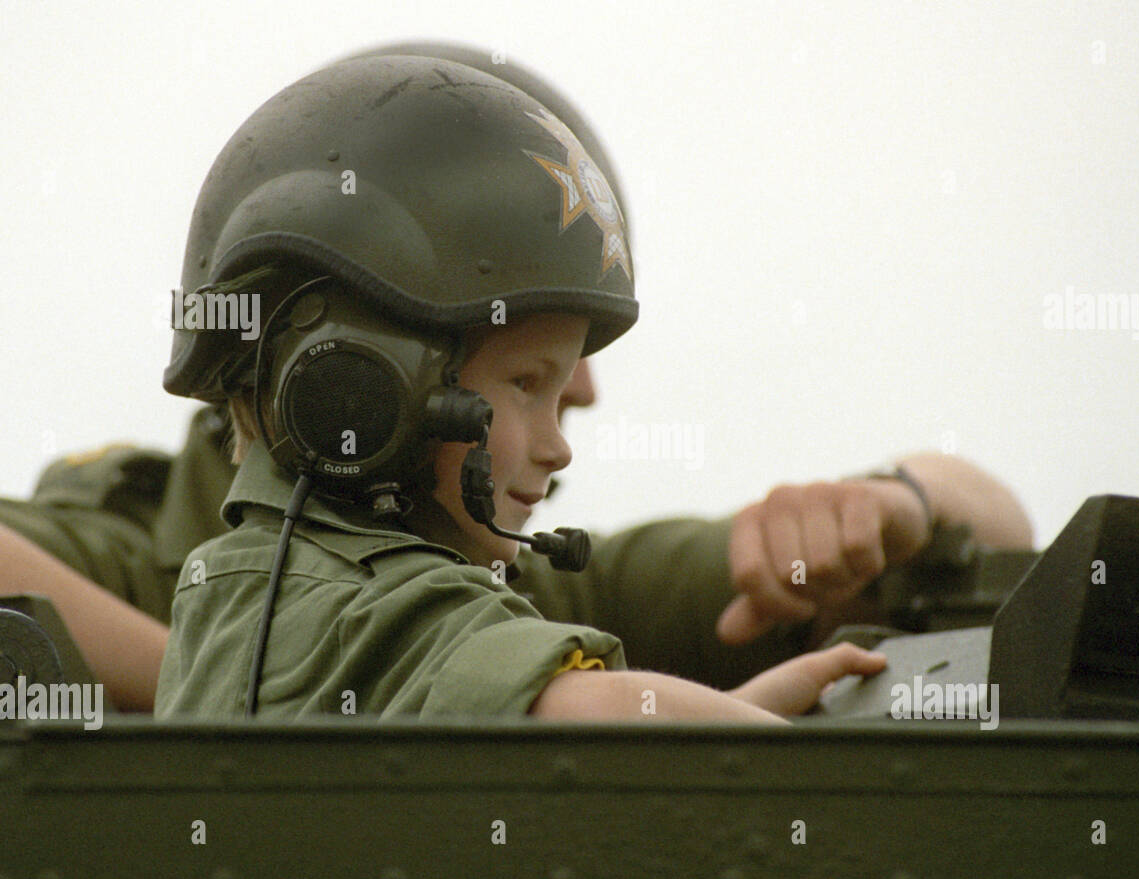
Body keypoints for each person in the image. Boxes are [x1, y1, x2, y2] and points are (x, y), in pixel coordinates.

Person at [0, 45, 1033, 712]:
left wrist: (886, 503)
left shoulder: (511, 572)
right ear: (364, 379)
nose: (579, 405)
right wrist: (272, 667)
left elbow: (997, 527)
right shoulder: (132, 550)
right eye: (528, 374)